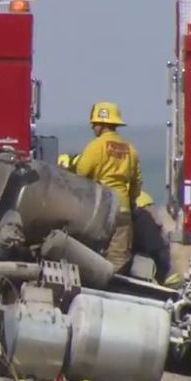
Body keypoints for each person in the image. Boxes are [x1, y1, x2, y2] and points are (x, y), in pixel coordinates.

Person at [74, 102, 143, 273]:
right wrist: (131, 202)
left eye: (95, 124)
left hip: (101, 208)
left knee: (93, 254)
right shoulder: (130, 149)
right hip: (123, 209)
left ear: (102, 124)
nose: (93, 127)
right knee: (119, 258)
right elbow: (137, 181)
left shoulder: (95, 146)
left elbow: (80, 174)